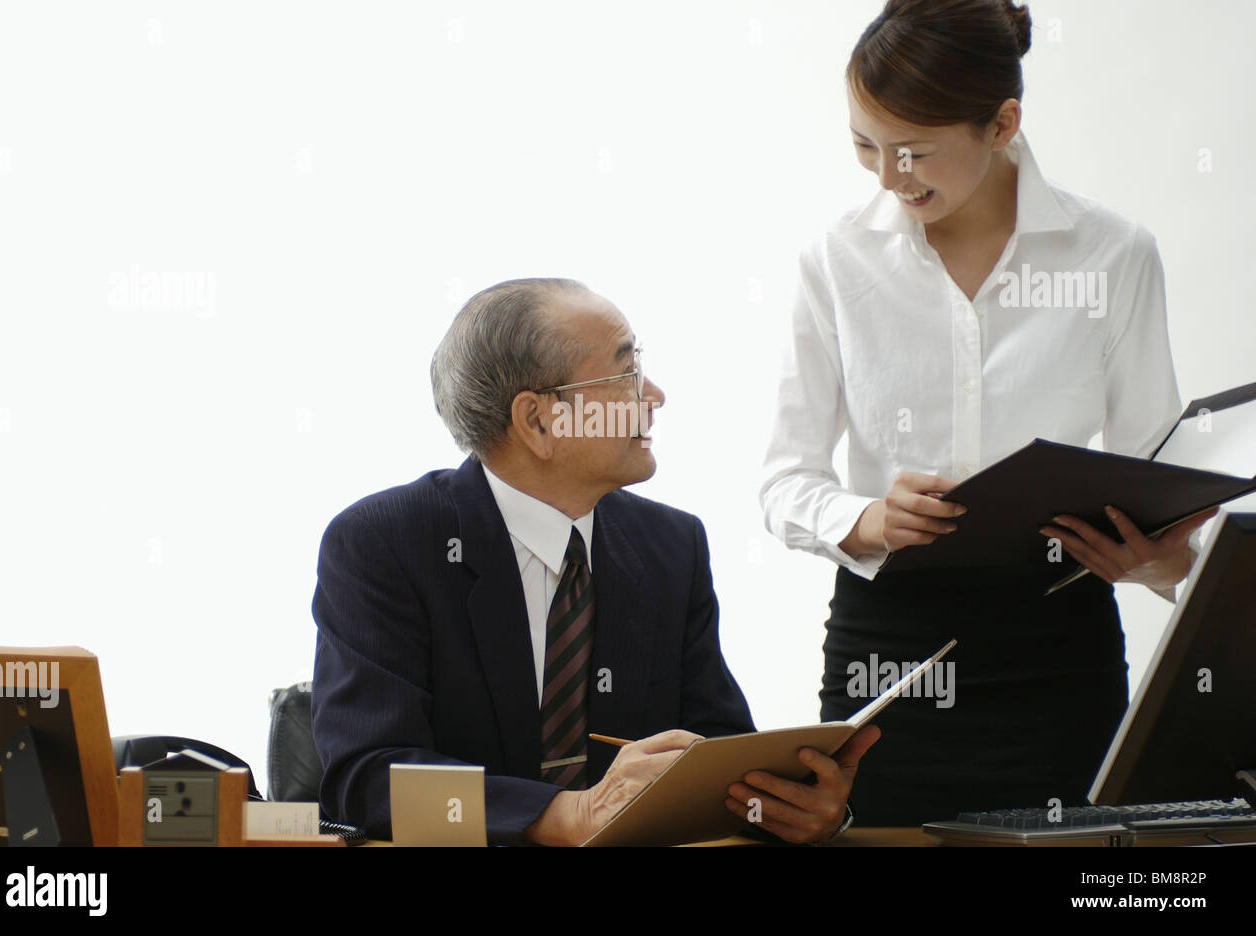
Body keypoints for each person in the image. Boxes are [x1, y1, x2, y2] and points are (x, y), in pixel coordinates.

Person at [760, 0, 1214, 826]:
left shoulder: (1112, 253)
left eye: (916, 151)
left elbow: (1158, 488)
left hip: (1057, 656)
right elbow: (785, 481)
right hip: (888, 655)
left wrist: (1154, 557)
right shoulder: (835, 259)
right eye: (866, 145)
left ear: (1003, 122)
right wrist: (868, 517)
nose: (889, 177)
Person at [312, 277, 879, 845]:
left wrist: (788, 808)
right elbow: (369, 782)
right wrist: (565, 815)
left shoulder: (669, 545)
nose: (655, 395)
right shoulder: (384, 542)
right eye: (626, 374)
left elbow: (713, 748)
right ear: (539, 421)